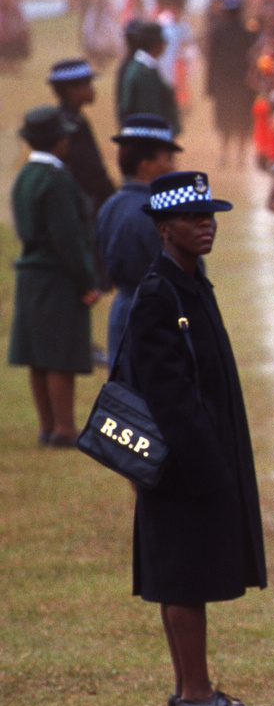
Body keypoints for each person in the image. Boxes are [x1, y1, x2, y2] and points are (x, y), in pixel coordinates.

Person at [125, 171, 265, 706]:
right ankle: (198, 694)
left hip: (198, 456)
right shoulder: (160, 292)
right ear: (163, 228)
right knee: (182, 575)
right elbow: (167, 394)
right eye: (191, 218)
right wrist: (207, 467)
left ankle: (192, 689)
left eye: (210, 216)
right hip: (182, 463)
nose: (205, 225)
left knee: (183, 573)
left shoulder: (190, 279)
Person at [9, 107, 101, 446]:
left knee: (37, 354)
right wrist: (87, 280)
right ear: (59, 141)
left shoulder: (26, 175)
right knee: (60, 354)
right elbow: (68, 237)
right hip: (58, 275)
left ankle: (46, 426)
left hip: (31, 274)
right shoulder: (57, 178)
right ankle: (65, 428)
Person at [96, 114, 181, 360]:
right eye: (168, 159)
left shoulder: (110, 206)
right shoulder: (156, 214)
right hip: (158, 317)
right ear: (146, 166)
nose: (174, 167)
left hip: (121, 312)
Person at [48, 59, 115, 210]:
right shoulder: (71, 126)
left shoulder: (73, 119)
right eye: (88, 85)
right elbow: (89, 171)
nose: (93, 90)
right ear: (71, 90)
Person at [206, 0, 258, 167]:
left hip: (225, 83)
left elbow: (211, 63)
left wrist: (211, 87)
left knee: (226, 121)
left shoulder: (217, 34)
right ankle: (239, 157)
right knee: (242, 121)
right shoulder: (249, 34)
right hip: (242, 84)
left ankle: (225, 155)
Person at [117, 22, 180, 134]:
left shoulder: (143, 67)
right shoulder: (143, 72)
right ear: (156, 45)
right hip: (147, 138)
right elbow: (149, 110)